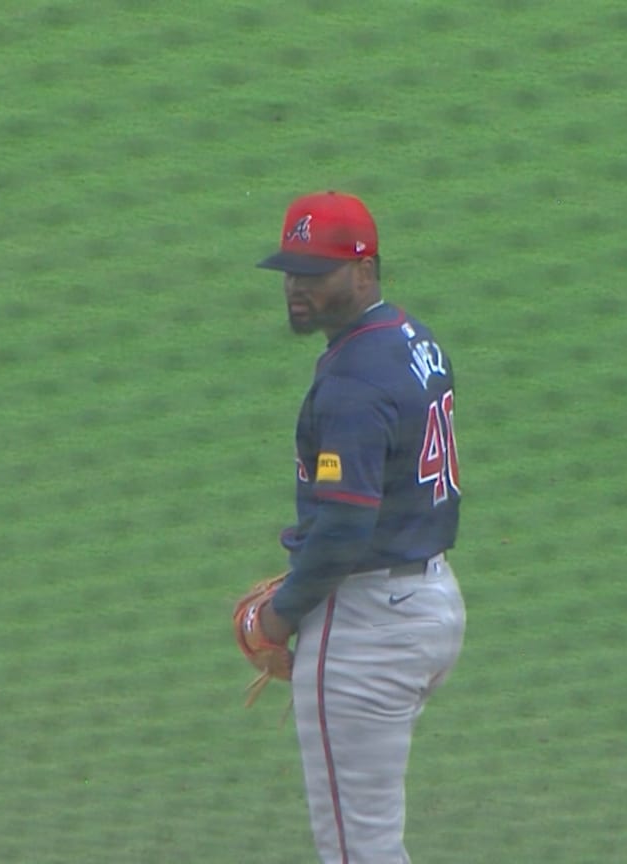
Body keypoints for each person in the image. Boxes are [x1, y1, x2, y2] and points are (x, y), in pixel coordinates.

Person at [255, 191, 467, 863]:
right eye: (292, 270)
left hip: (368, 629)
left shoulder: (352, 381)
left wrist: (280, 615)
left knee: (359, 853)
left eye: (317, 273)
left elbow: (346, 525)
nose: (298, 287)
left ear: (365, 271)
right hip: (430, 603)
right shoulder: (412, 337)